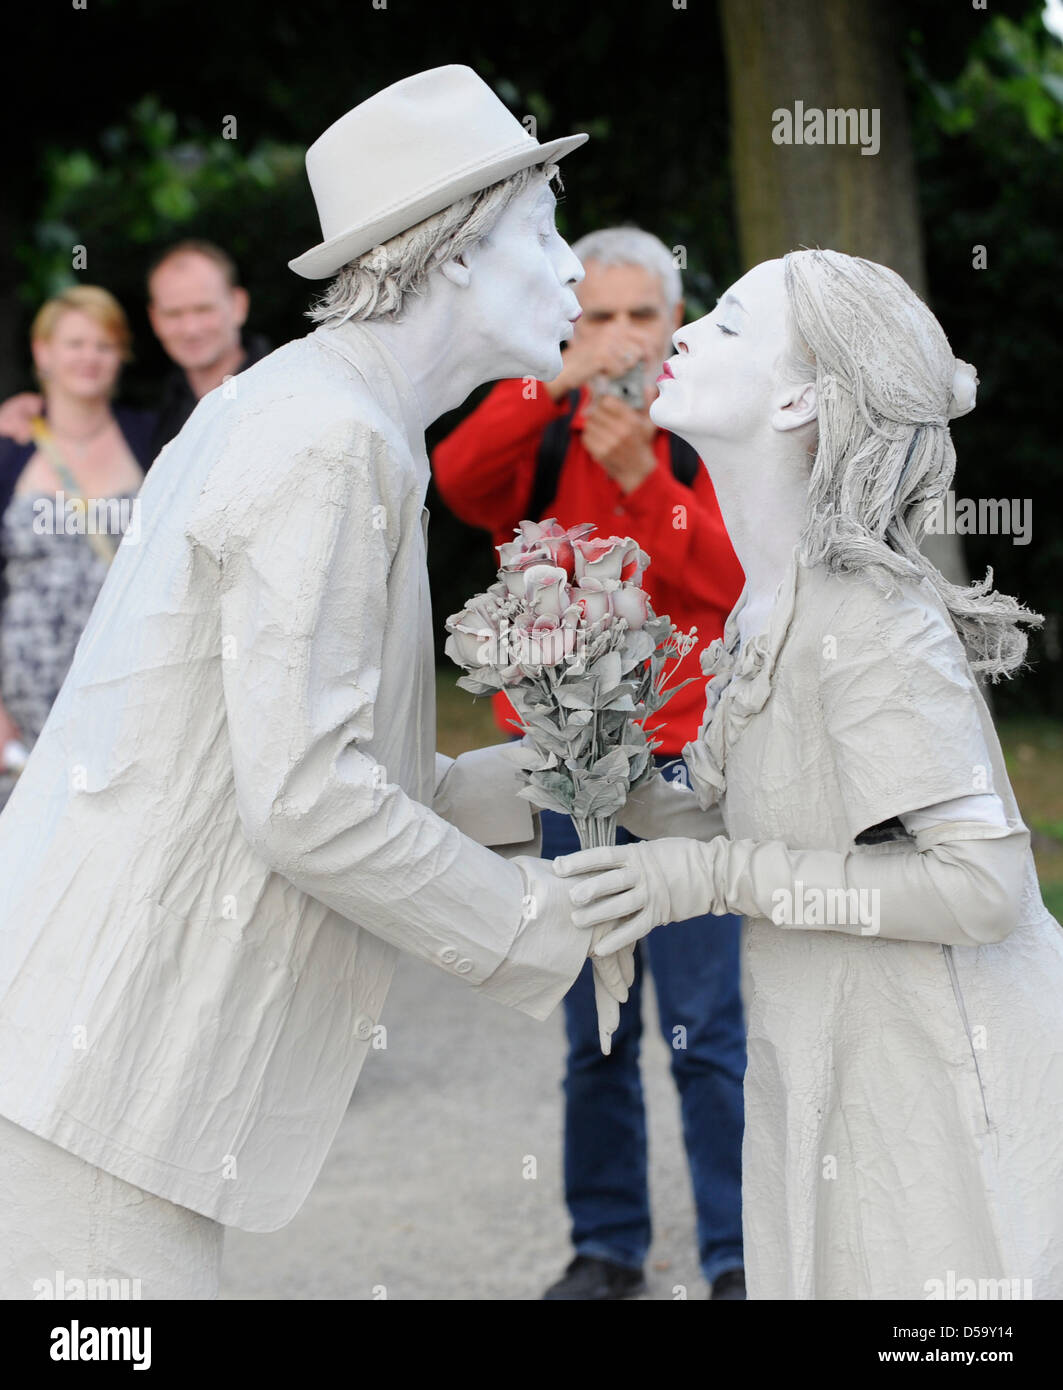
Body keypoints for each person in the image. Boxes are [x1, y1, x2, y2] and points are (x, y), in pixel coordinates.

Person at [0, 65, 631, 1300]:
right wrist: (533, 924)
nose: (575, 273)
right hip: (93, 1054)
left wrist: (614, 767)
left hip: (94, 1051)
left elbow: (377, 782)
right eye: (544, 231)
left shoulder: (329, 416)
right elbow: (311, 803)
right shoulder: (327, 441)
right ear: (446, 253)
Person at [555, 249, 1063, 1300]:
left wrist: (712, 879)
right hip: (833, 1061)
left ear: (799, 400)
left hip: (935, 1084)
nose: (681, 335)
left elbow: (981, 886)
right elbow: (732, 813)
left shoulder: (870, 618)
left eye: (728, 325)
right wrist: (557, 754)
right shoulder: (765, 602)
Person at [433, 227, 747, 1300]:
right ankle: (607, 1248)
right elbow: (458, 481)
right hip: (565, 765)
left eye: (639, 316)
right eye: (596, 316)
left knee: (707, 1030)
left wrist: (644, 472)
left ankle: (735, 1254)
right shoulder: (542, 422)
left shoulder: (705, 435)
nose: (617, 338)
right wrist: (542, 385)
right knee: (595, 1027)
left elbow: (725, 587)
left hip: (684, 772)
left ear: (673, 325)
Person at [0, 286, 153, 808]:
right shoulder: (9, 448)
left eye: (104, 345)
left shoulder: (152, 437)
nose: (89, 357)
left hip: (126, 691)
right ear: (43, 352)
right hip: (22, 703)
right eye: (74, 343)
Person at [0, 240, 270, 457]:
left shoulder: (285, 385)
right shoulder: (156, 417)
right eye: (174, 314)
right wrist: (30, 410)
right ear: (155, 319)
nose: (190, 329)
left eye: (204, 309)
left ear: (238, 305)